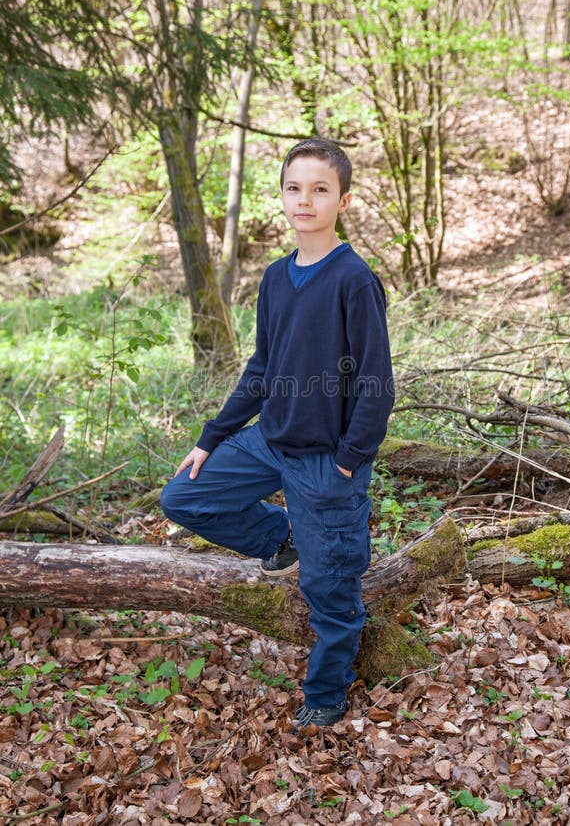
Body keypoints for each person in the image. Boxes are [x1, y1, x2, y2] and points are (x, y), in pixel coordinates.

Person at [160, 137, 395, 728]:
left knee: (329, 590)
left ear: (343, 198)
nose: (305, 200)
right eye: (294, 188)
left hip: (327, 461)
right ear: (282, 197)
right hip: (271, 439)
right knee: (184, 497)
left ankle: (325, 694)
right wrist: (213, 437)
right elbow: (262, 367)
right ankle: (282, 536)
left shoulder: (354, 279)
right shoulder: (274, 277)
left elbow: (376, 383)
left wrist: (350, 460)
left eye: (320, 189)